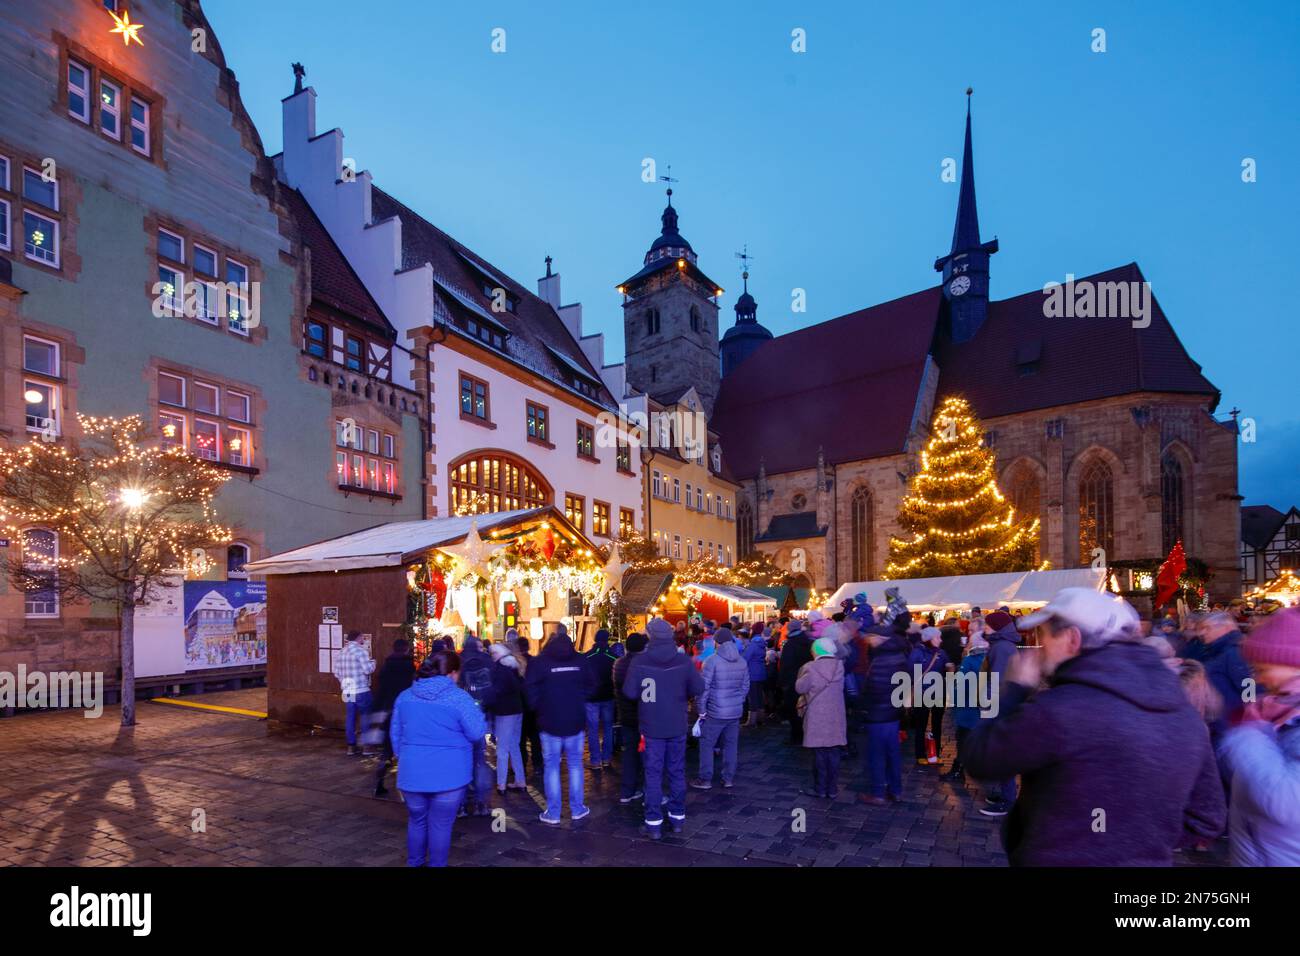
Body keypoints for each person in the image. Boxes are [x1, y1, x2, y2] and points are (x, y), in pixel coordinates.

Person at [962, 588, 1226, 866]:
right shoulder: (1183, 711)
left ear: (1071, 639)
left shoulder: (1061, 709)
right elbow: (1207, 817)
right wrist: (1140, 842)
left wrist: (1015, 688)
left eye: (1045, 636)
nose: (1040, 647)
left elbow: (981, 757)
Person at [1218, 608, 1300, 865]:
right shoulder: (1275, 712)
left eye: (1263, 668)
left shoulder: (1269, 721)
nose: (1258, 678)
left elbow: (1286, 804)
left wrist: (1247, 737)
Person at [389, 651, 485, 867]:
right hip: (450, 774)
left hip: (412, 773)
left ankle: (414, 863)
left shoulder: (404, 696)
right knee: (441, 825)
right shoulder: (460, 699)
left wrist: (404, 757)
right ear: (451, 673)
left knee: (416, 821)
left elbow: (395, 734)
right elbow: (477, 732)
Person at [623, 617, 704, 840]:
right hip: (676, 725)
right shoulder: (683, 660)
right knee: (677, 772)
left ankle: (654, 823)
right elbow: (699, 687)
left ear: (650, 636)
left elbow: (629, 693)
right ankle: (677, 817)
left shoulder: (640, 661)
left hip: (651, 726)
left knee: (653, 773)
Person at [524, 624, 592, 824]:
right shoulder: (580, 660)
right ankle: (577, 808)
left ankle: (553, 812)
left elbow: (530, 690)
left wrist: (540, 708)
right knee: (575, 765)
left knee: (552, 766)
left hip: (549, 722)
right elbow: (591, 685)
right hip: (575, 721)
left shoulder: (540, 663)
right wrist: (579, 700)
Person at [854, 613, 912, 804]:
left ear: (880, 638)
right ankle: (896, 790)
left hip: (879, 714)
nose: (868, 641)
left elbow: (875, 688)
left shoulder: (882, 660)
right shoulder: (898, 654)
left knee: (877, 755)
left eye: (870, 638)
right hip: (893, 713)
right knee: (892, 754)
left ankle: (878, 792)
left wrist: (863, 706)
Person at [691, 627, 750, 790]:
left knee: (707, 744)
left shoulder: (712, 661)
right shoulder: (742, 661)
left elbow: (704, 689)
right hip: (734, 711)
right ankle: (728, 778)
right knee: (731, 745)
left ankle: (705, 779)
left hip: (715, 711)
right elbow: (745, 686)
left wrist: (701, 710)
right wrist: (739, 700)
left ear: (717, 642)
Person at [977, 609, 1022, 816]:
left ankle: (1008, 799)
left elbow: (998, 681)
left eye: (987, 624)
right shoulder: (1002, 645)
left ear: (996, 627)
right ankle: (1007, 794)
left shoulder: (1002, 648)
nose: (984, 627)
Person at [1184, 610, 1253, 740]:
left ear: (1226, 627)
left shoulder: (1235, 651)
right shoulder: (1217, 650)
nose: (1201, 633)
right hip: (1221, 723)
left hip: (1231, 726)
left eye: (1206, 628)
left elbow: (1248, 685)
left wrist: (1248, 717)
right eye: (1200, 629)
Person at [797, 633, 848, 798]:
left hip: (817, 715)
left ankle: (820, 788)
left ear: (816, 651)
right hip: (836, 715)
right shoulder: (840, 667)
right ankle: (832, 789)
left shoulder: (810, 667)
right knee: (833, 752)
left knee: (819, 753)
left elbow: (800, 688)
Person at [456, 634, 496, 816]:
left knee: (462, 759)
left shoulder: (457, 660)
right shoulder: (486, 660)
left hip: (461, 716)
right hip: (480, 714)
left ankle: (462, 804)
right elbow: (494, 687)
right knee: (480, 759)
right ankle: (482, 803)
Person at [941, 631, 988, 783]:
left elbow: (959, 686)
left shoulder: (971, 660)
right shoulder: (990, 659)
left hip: (967, 708)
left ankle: (957, 771)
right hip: (982, 709)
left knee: (962, 740)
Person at [371, 638, 414, 797]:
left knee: (387, 749)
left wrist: (377, 709)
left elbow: (381, 690)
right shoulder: (408, 666)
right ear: (406, 649)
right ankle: (406, 785)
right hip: (404, 711)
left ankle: (379, 783)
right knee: (406, 747)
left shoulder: (386, 666)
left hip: (388, 710)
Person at [908, 627, 953, 766]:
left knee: (937, 724)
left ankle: (935, 754)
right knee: (920, 725)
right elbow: (910, 672)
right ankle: (920, 754)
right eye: (937, 637)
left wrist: (950, 667)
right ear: (929, 639)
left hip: (938, 692)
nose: (940, 640)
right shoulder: (916, 653)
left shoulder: (942, 652)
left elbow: (948, 667)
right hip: (922, 693)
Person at [613, 631, 648, 804]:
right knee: (647, 755)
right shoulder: (643, 666)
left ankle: (627, 791)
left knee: (629, 755)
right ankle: (648, 791)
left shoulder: (619, 664)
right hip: (642, 716)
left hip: (625, 715)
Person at [487, 642, 527, 793]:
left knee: (502, 749)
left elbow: (497, 691)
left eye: (493, 653)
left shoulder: (500, 668)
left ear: (497, 654)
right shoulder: (515, 666)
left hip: (505, 713)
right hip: (518, 710)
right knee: (514, 746)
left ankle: (501, 784)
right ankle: (520, 781)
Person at [332, 630, 376, 756]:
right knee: (365, 717)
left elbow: (336, 672)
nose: (363, 639)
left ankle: (351, 747)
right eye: (362, 637)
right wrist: (373, 663)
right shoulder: (361, 651)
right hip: (361, 689)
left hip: (347, 690)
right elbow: (367, 670)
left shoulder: (341, 652)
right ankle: (367, 747)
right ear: (359, 638)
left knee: (350, 717)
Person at [508, 631, 543, 776]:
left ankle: (521, 765)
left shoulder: (513, 664)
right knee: (535, 738)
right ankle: (537, 765)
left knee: (520, 738)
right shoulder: (535, 662)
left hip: (519, 705)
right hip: (533, 705)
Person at [584, 629, 618, 770]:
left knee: (592, 729)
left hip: (591, 697)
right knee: (608, 728)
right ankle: (607, 758)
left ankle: (595, 761)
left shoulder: (587, 656)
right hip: (608, 696)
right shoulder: (613, 657)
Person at [779, 619, 814, 744]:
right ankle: (806, 733)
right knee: (804, 707)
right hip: (806, 678)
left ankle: (796, 735)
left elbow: (785, 664)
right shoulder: (809, 642)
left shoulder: (790, 644)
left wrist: (782, 681)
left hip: (792, 680)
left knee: (793, 708)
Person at [743, 621, 769, 726]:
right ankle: (760, 717)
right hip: (761, 672)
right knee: (759, 696)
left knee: (752, 696)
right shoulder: (762, 643)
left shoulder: (753, 645)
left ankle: (752, 720)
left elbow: (745, 658)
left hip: (752, 673)